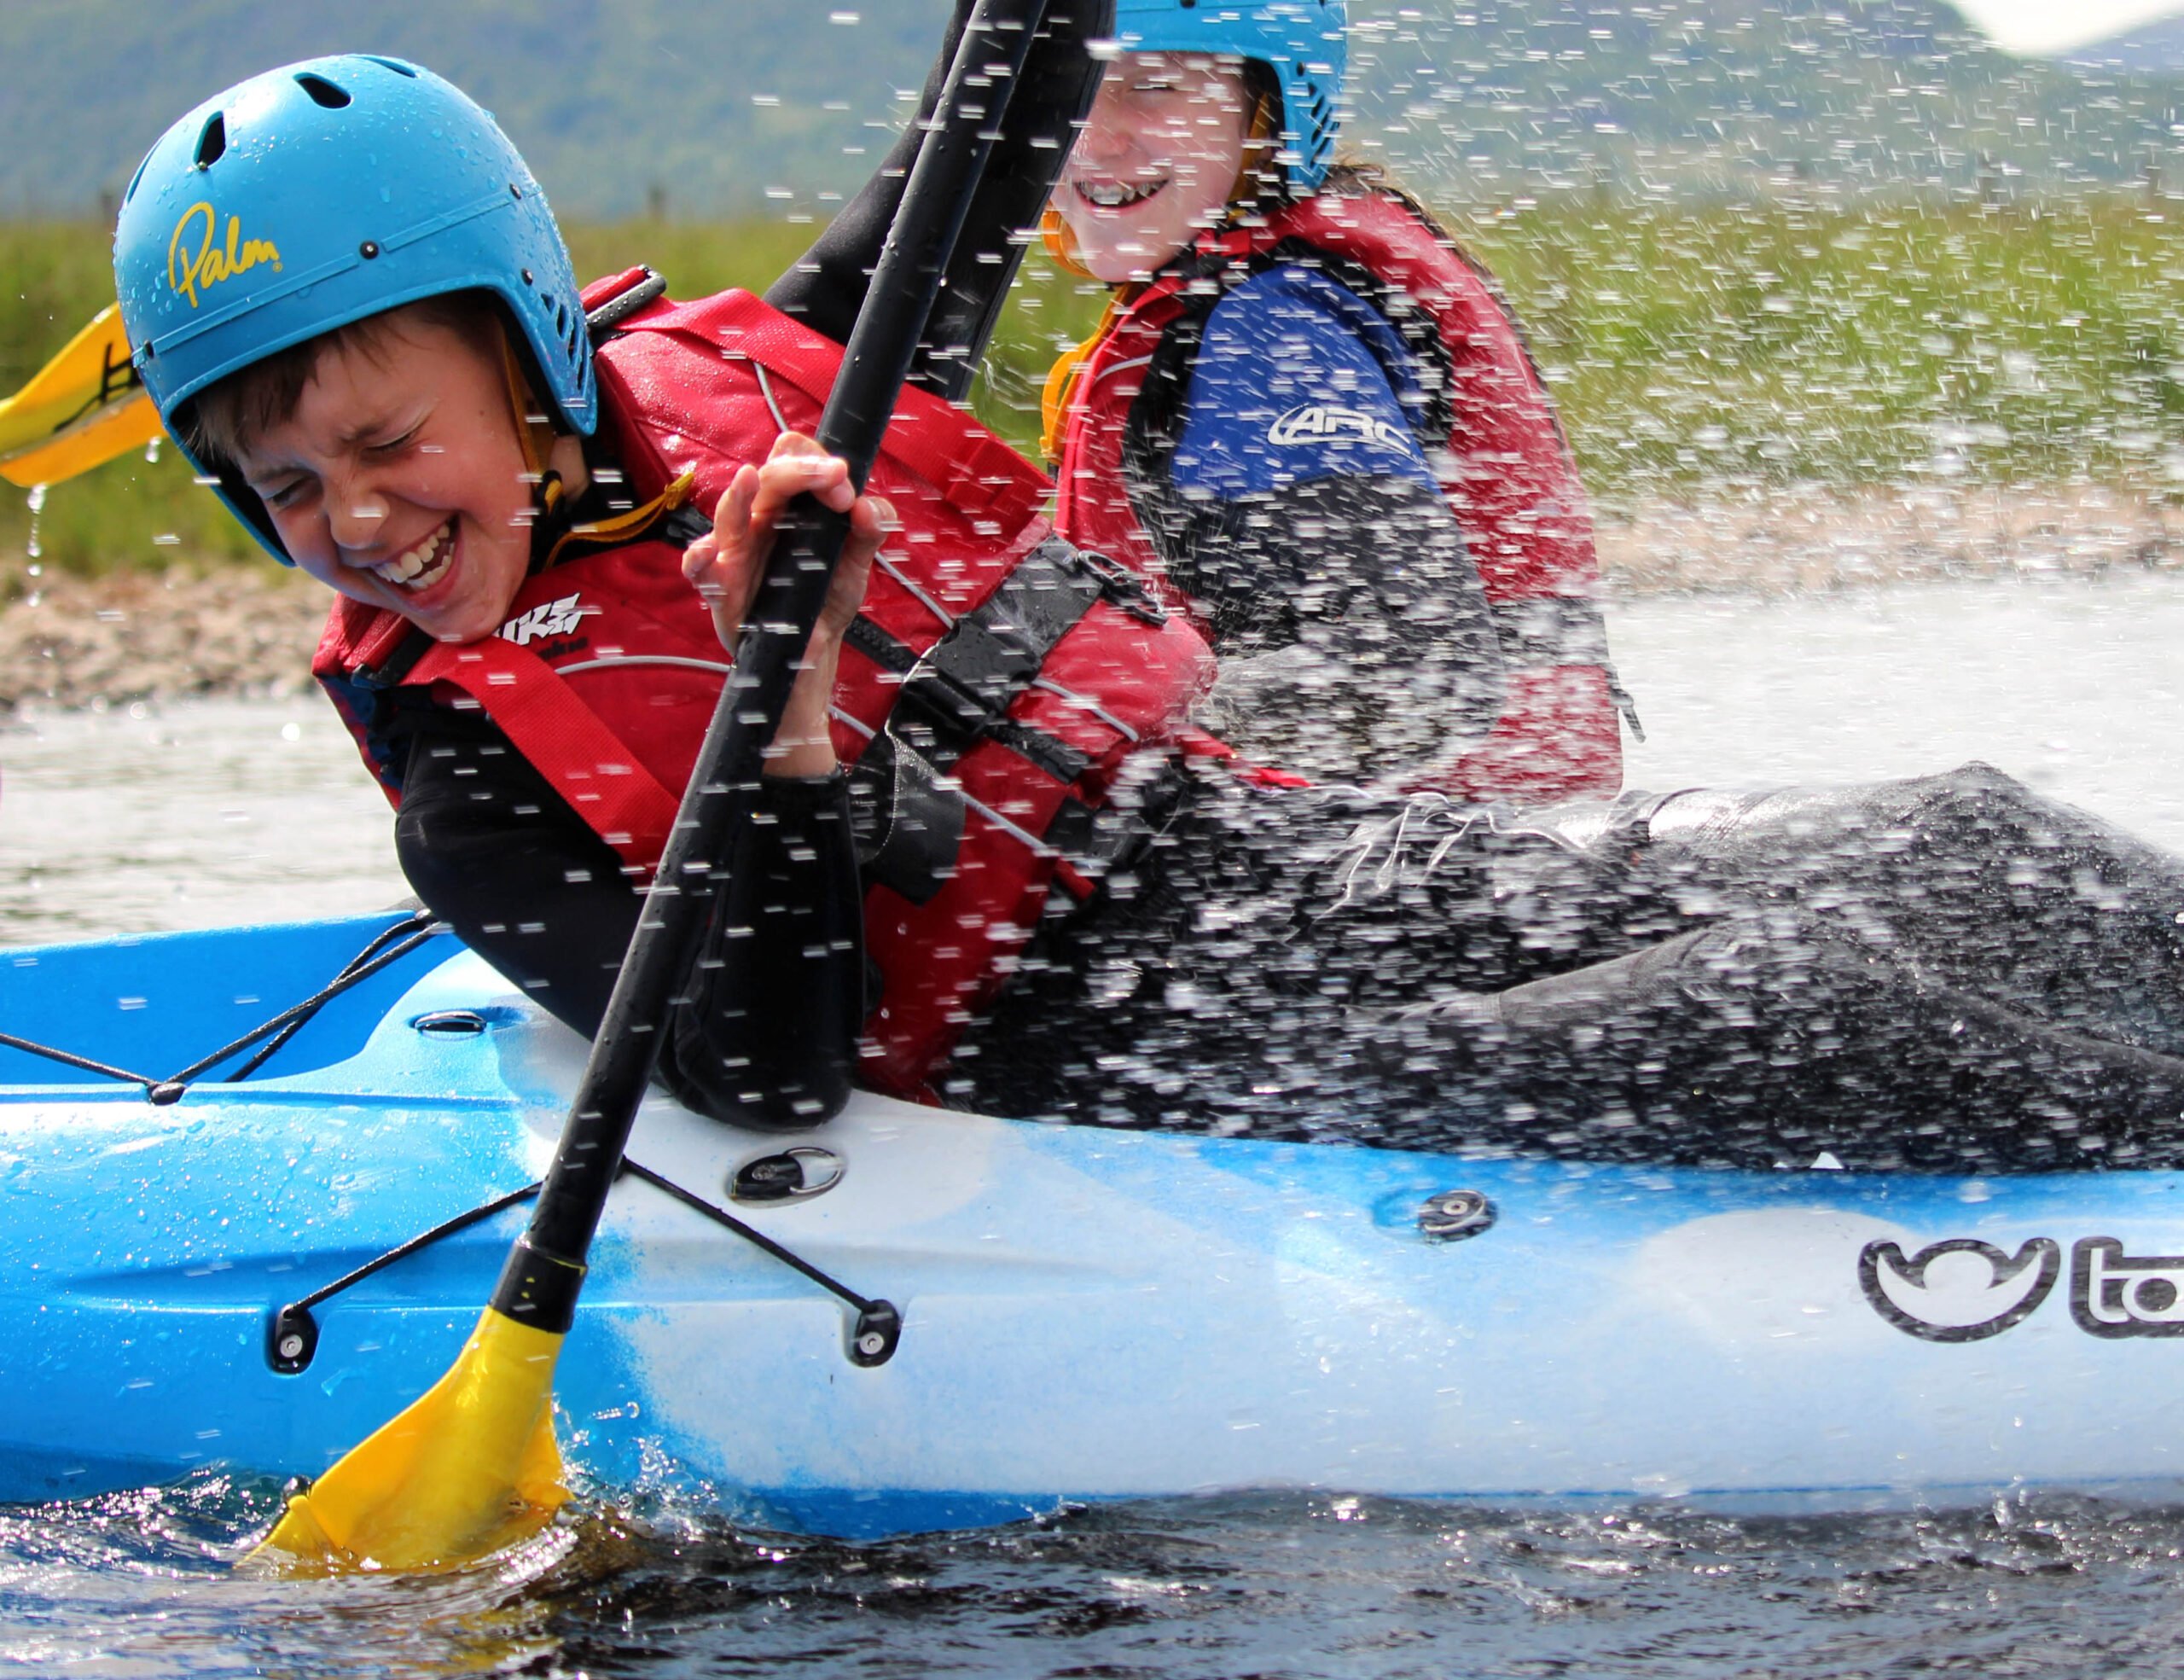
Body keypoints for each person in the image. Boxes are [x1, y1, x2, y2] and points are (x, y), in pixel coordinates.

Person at [117, 38, 2184, 1180]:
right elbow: (762, 1069)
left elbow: (986, 121)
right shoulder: (469, 779)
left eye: (392, 440)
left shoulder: (773, 381)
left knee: (1960, 839)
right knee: (1789, 996)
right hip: (1103, 1042)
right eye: (284, 490)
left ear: (540, 352)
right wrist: (798, 711)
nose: (357, 516)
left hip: (1250, 853)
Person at [1040, 0, 1633, 797]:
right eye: (1074, 84)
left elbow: (1409, 680)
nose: (1096, 136)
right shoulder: (1283, 288)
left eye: (1154, 87)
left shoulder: (1275, 331)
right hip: (1481, 854)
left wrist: (1060, 735)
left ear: (1270, 110)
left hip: (1411, 880)